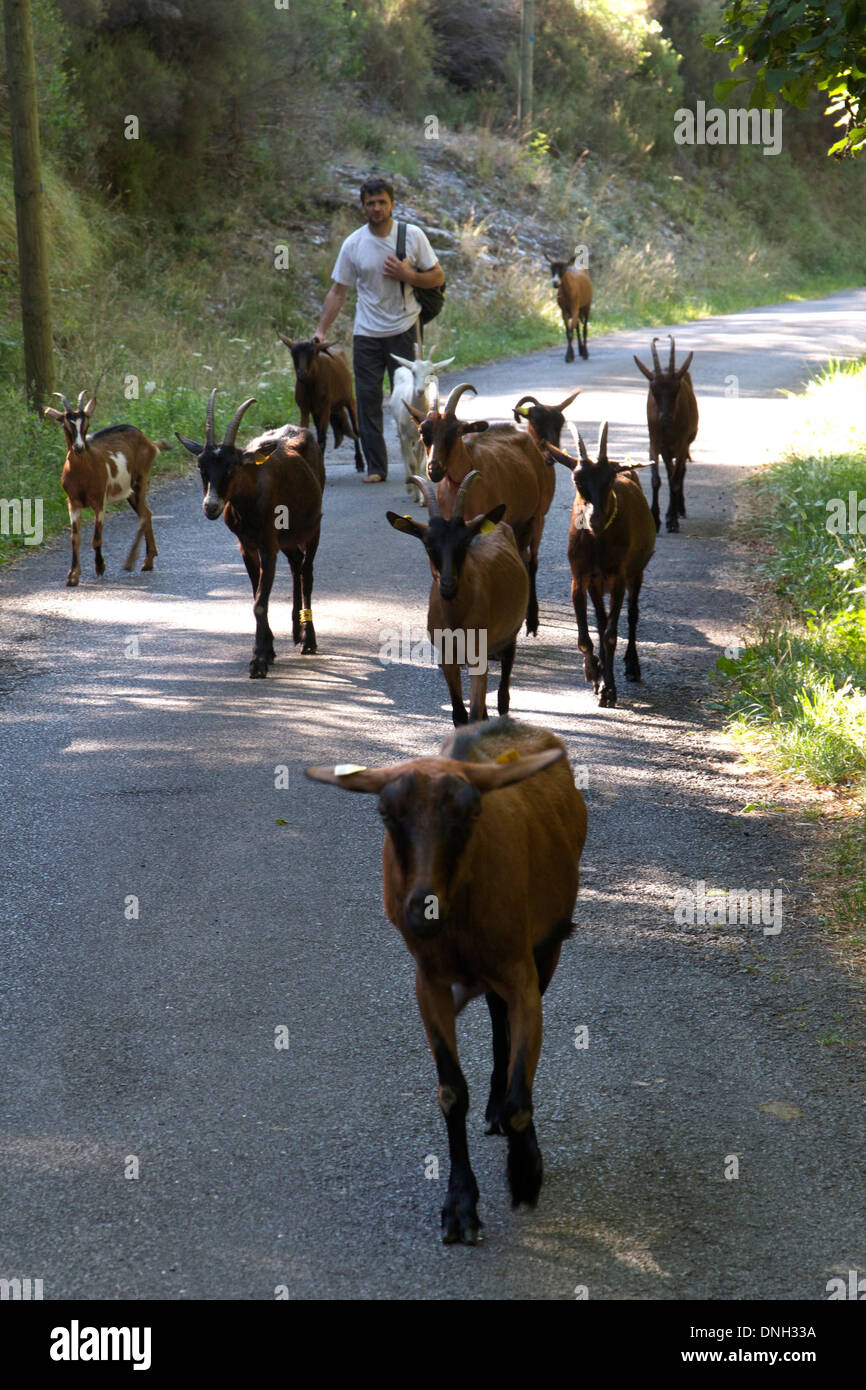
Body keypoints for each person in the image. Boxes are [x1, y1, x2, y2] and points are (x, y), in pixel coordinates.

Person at [313, 176, 445, 484]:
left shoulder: (412, 236)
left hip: (405, 328)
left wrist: (407, 275)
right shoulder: (354, 243)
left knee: (415, 398)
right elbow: (338, 291)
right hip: (367, 332)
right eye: (370, 203)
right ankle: (377, 468)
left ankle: (424, 458)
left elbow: (437, 277)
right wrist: (321, 330)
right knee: (367, 398)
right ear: (363, 207)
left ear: (392, 205)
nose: (376, 208)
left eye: (382, 202)